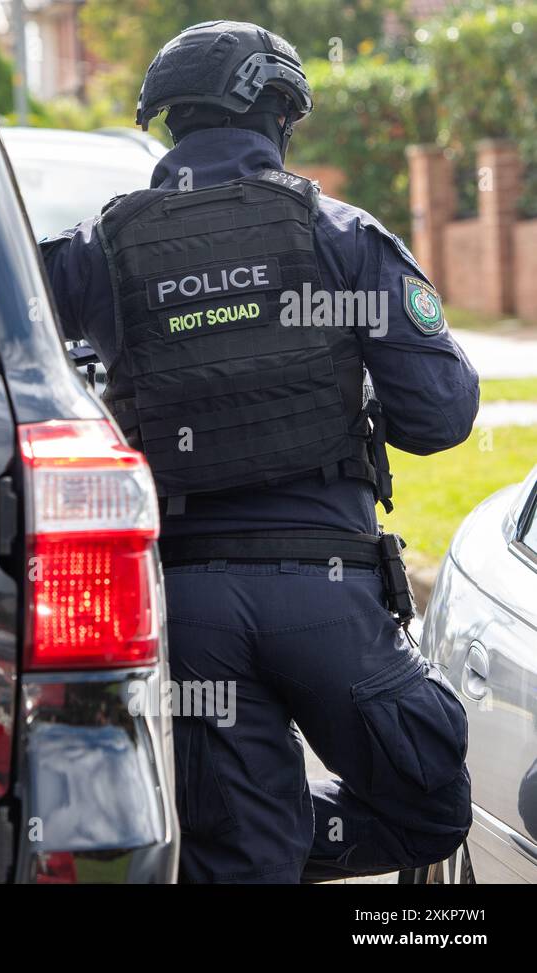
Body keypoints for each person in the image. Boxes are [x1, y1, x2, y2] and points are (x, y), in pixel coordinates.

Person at [38, 20, 479, 882]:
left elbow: (6, 368)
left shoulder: (95, 250)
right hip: (329, 599)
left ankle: (259, 840)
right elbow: (440, 415)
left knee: (236, 853)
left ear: (173, 124)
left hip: (186, 609)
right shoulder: (343, 234)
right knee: (427, 804)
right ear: (279, 112)